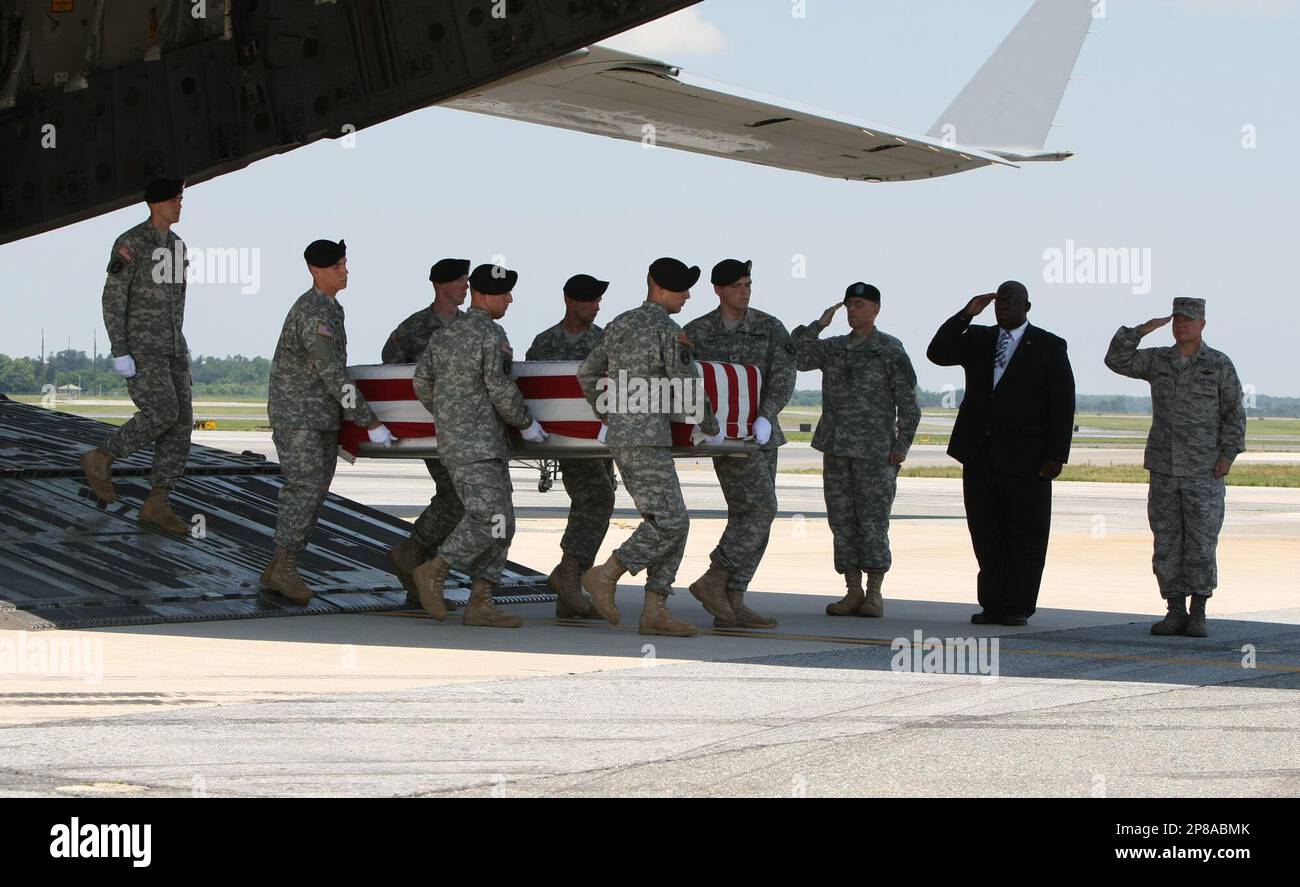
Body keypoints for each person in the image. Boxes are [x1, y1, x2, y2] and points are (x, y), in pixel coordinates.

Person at [576, 258, 726, 637]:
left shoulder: (620, 324)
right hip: (646, 439)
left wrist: (606, 408)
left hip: (626, 436)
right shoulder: (668, 330)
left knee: (672, 521)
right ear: (658, 287)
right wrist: (710, 426)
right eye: (681, 288)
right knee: (671, 521)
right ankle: (607, 573)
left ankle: (655, 608)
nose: (688, 295)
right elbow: (687, 383)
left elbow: (587, 372)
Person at [926, 280, 1075, 626]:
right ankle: (992, 603)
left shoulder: (1050, 346)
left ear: (1027, 305)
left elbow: (1062, 403)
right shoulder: (978, 339)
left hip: (1028, 458)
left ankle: (1018, 605)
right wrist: (966, 314)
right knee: (986, 531)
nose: (1003, 306)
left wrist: (1056, 456)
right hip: (979, 453)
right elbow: (938, 351)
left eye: (1011, 300)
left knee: (1025, 534)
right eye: (999, 301)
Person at [409, 264, 549, 628]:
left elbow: (421, 381)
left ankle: (481, 600)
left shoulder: (444, 335)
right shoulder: (491, 334)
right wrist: (526, 422)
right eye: (505, 293)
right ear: (484, 295)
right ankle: (435, 569)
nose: (510, 299)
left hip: (456, 441)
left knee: (505, 522)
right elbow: (501, 387)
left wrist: (447, 413)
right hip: (481, 443)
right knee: (489, 519)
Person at [1104, 298, 1245, 638]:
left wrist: (1228, 455)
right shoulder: (1158, 360)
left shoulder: (1218, 363)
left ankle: (1198, 613)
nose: (1183, 325)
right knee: (1166, 541)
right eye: (1178, 319)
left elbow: (1234, 413)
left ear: (1202, 324)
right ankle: (1174, 610)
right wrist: (1138, 331)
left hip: (1204, 470)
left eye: (1190, 320)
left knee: (1201, 541)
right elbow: (1116, 360)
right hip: (1165, 469)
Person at [264, 239, 395, 603]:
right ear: (315, 270)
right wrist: (369, 421)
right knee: (304, 491)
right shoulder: (313, 311)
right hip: (300, 417)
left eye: (345, 264)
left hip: (318, 417)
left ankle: (279, 565)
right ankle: (285, 568)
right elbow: (331, 371)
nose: (345, 271)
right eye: (337, 266)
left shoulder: (332, 309)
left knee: (313, 493)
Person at [791, 283, 921, 618]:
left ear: (876, 309)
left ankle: (875, 593)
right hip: (836, 448)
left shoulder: (890, 350)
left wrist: (901, 447)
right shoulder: (834, 348)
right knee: (841, 521)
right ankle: (852, 591)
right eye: (849, 304)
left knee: (873, 521)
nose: (852, 311)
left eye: (860, 304)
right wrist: (818, 325)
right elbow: (796, 354)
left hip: (875, 452)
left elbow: (909, 405)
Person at [682, 259, 796, 628]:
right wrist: (705, 423)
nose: (744, 291)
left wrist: (768, 414)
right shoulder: (697, 331)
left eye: (748, 284)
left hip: (760, 434)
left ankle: (733, 598)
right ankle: (716, 579)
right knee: (759, 509)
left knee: (754, 516)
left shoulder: (768, 327)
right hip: (723, 437)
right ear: (718, 289)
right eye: (736, 285)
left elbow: (783, 372)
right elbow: (685, 379)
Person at [79, 176, 193, 535]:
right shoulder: (131, 243)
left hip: (174, 347)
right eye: (174, 199)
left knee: (181, 423)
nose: (179, 204)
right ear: (156, 203)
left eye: (181, 198)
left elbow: (178, 301)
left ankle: (158, 501)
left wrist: (179, 343)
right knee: (162, 412)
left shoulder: (177, 246)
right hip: (142, 347)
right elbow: (113, 299)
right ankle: (101, 457)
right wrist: (119, 350)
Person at [526, 273, 617, 620]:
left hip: (599, 439)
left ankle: (571, 588)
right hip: (566, 439)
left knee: (599, 498)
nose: (595, 307)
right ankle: (569, 572)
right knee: (596, 498)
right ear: (569, 300)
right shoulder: (544, 343)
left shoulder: (604, 340)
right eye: (589, 301)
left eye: (598, 302)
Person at [382, 258, 470, 602]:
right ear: (440, 285)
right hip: (429, 425)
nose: (466, 286)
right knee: (456, 496)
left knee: (459, 498)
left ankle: (418, 575)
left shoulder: (469, 327)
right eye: (461, 280)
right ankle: (414, 554)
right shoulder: (415, 327)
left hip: (462, 426)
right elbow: (391, 368)